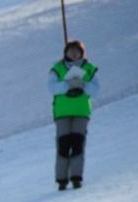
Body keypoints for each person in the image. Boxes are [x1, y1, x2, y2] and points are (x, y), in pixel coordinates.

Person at [47, 39, 100, 190]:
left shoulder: (89, 68)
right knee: (63, 145)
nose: (74, 54)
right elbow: (51, 88)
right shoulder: (57, 68)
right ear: (66, 53)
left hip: (81, 111)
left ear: (82, 53)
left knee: (77, 144)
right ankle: (62, 180)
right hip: (63, 112)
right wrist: (67, 85)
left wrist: (83, 84)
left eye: (77, 51)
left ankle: (76, 178)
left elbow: (95, 90)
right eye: (71, 51)